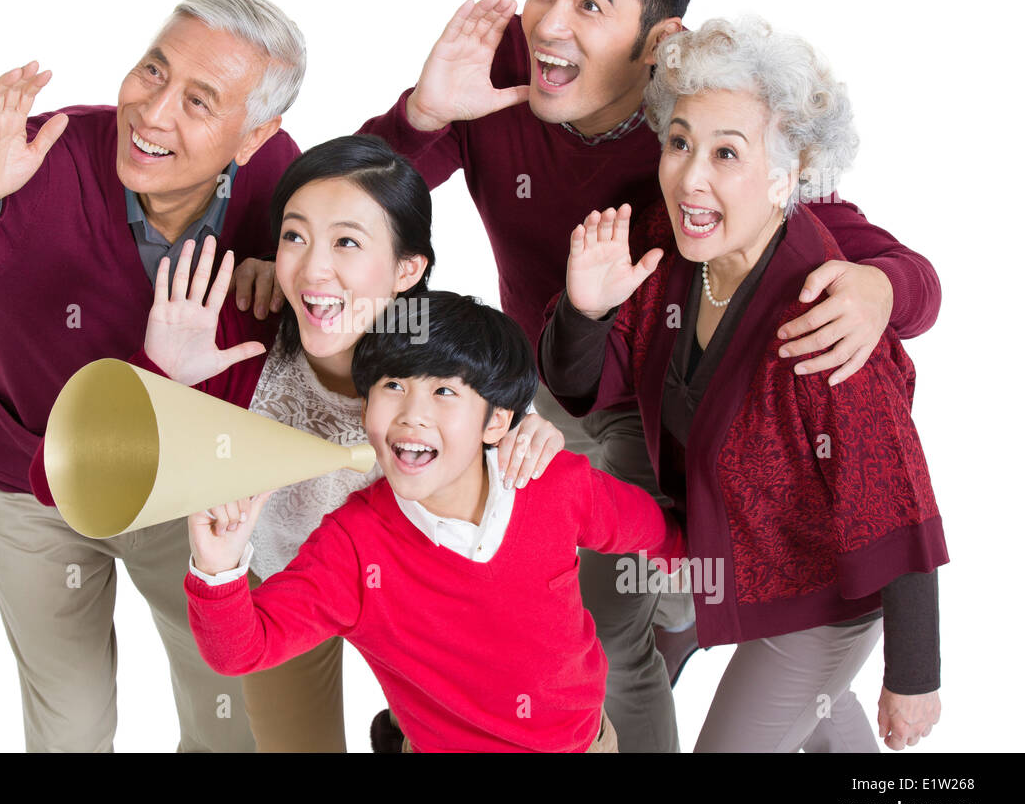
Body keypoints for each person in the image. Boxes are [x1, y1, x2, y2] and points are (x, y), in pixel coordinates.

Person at [344, 0, 942, 752]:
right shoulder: (509, 69)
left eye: (591, 3)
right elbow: (359, 210)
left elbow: (871, 255)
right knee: (564, 592)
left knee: (620, 619)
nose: (550, 24)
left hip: (652, 420)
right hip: (559, 377)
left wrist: (884, 291)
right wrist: (427, 113)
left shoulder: (707, 131)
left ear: (658, 40)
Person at [0, 0, 306, 752]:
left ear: (255, 133)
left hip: (187, 493)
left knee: (229, 718)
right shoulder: (31, 167)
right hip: (30, 485)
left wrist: (290, 264)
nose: (154, 112)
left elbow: (371, 255)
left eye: (200, 101)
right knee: (69, 728)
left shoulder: (279, 176)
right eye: (151, 70)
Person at [31, 135, 566, 751]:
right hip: (280, 586)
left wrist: (531, 432)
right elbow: (55, 481)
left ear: (408, 270)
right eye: (294, 235)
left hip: (420, 598)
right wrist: (160, 370)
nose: (312, 269)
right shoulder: (237, 332)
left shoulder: (448, 364)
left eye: (346, 242)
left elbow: (512, 459)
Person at [539, 17, 947, 752]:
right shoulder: (676, 255)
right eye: (679, 142)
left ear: (789, 174)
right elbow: (580, 384)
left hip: (829, 597)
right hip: (754, 568)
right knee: (818, 724)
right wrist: (585, 311)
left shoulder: (824, 318)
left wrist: (915, 678)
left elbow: (899, 503)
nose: (690, 176)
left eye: (727, 153)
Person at [183, 290, 685, 752]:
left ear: (496, 421)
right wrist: (218, 569)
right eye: (393, 385)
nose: (412, 414)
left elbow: (643, 525)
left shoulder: (553, 483)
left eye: (445, 392)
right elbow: (242, 650)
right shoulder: (353, 545)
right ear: (365, 409)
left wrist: (687, 560)